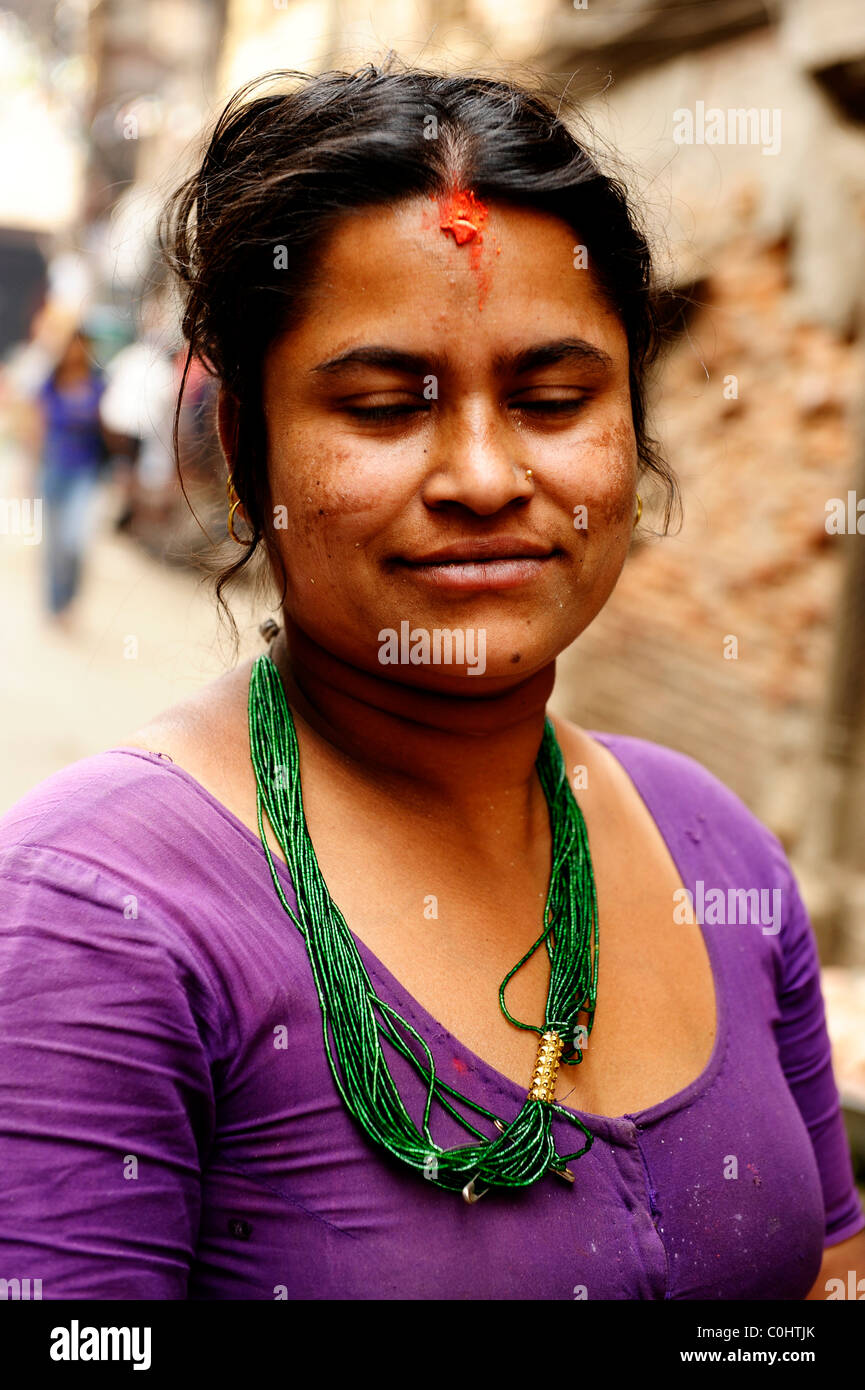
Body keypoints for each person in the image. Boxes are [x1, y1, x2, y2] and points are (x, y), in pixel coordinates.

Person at [0, 60, 862, 1301]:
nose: (482, 475)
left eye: (553, 398)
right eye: (386, 406)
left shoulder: (720, 860)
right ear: (247, 454)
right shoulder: (96, 918)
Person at [32, 327, 107, 623]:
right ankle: (55, 603)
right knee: (54, 544)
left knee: (75, 539)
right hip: (53, 470)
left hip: (84, 473)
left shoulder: (98, 385)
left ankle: (70, 598)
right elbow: (36, 430)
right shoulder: (50, 384)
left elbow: (106, 429)